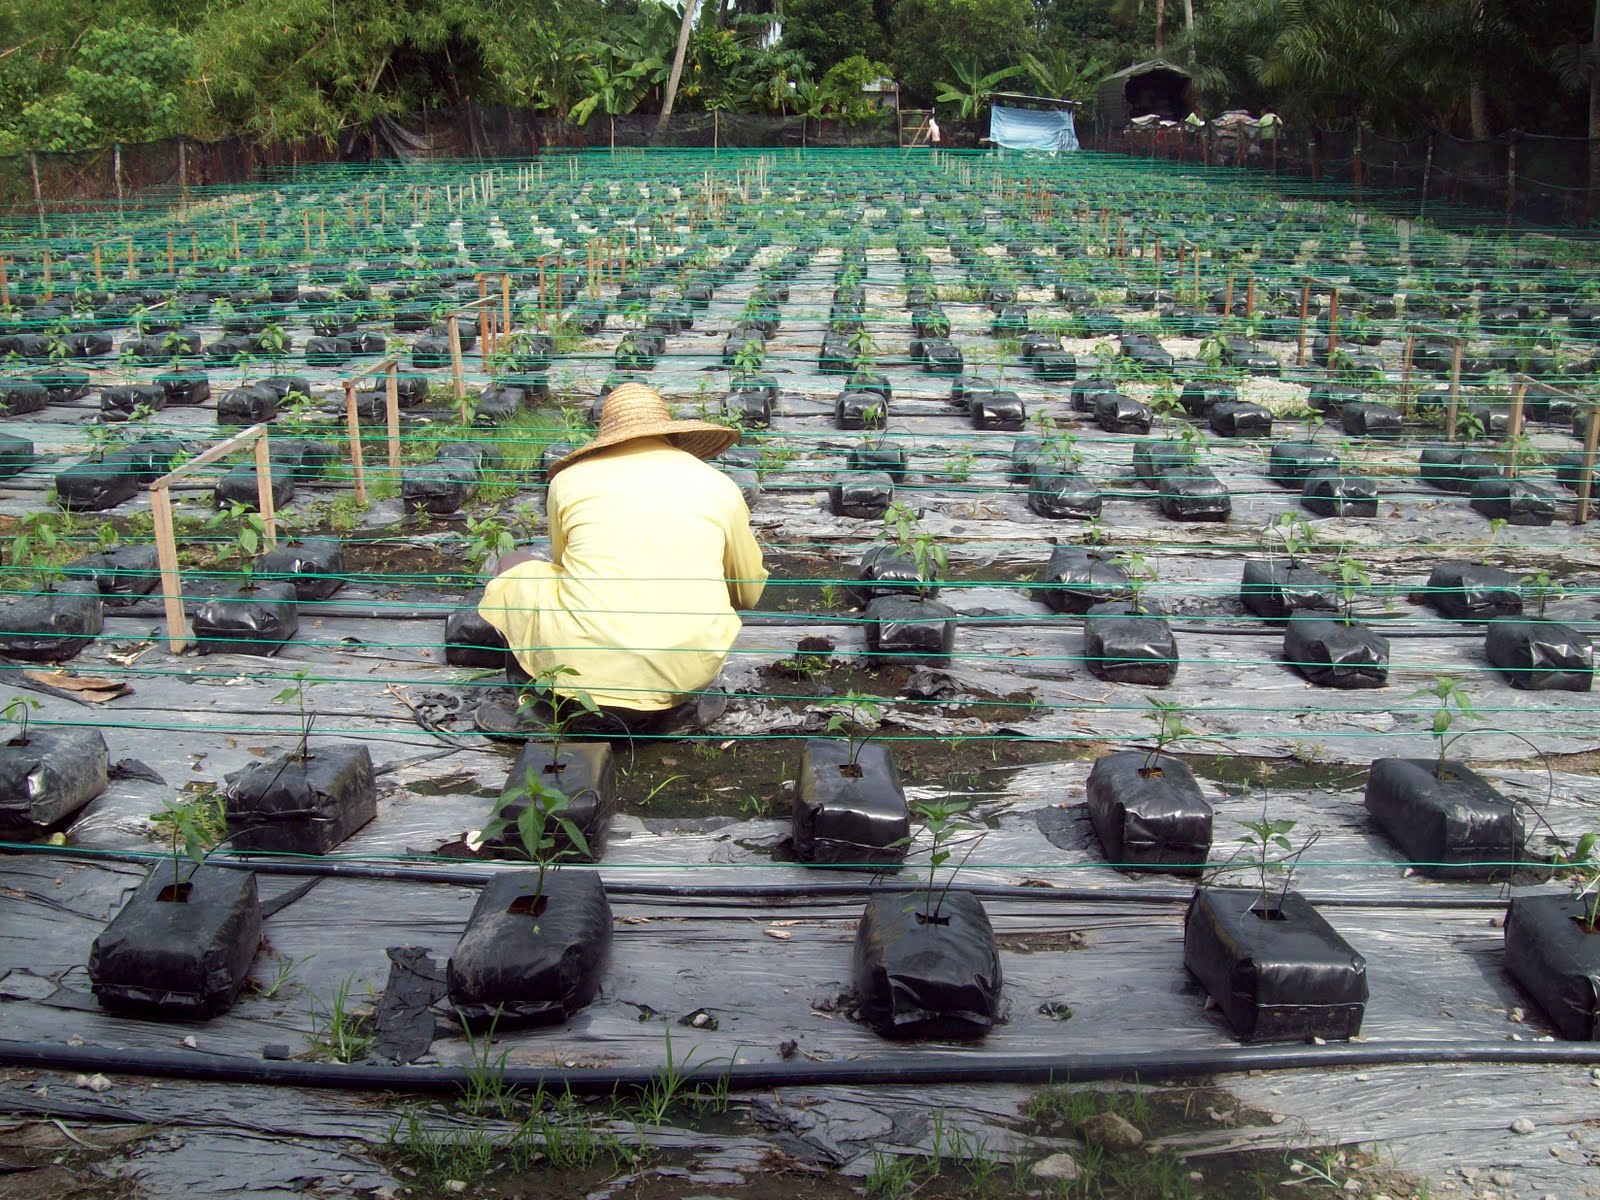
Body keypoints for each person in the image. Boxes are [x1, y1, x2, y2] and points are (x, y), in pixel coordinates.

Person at [478, 383, 768, 734]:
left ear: (606, 438)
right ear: (671, 436)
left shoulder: (568, 481)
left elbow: (562, 564)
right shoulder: (719, 485)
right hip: (686, 670)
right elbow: (748, 593)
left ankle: (539, 707)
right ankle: (675, 708)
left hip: (583, 669)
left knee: (514, 567)